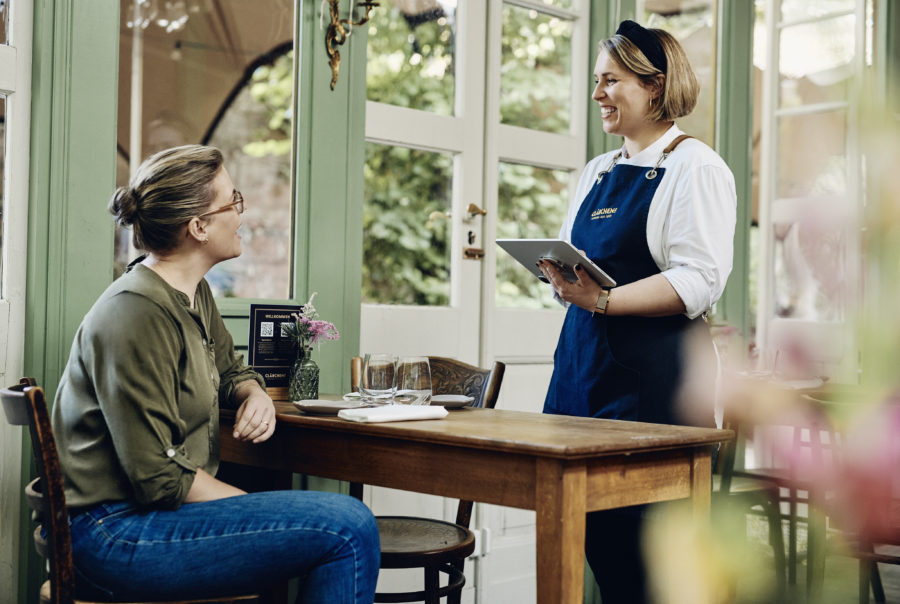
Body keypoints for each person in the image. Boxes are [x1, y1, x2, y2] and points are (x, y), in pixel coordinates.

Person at [50, 145, 380, 603]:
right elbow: (160, 477)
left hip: (151, 518)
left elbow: (232, 369)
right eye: (233, 201)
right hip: (112, 534)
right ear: (199, 226)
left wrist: (254, 394)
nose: (243, 214)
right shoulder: (134, 314)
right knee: (347, 526)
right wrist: (254, 509)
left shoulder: (192, 293)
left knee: (340, 523)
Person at [537, 20, 736, 604]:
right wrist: (564, 279)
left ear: (654, 86)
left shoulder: (695, 167)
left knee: (644, 556)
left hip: (653, 384)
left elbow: (699, 280)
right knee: (591, 538)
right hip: (582, 370)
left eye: (611, 80)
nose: (598, 93)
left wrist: (603, 298)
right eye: (596, 81)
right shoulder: (597, 171)